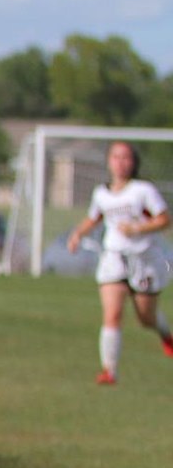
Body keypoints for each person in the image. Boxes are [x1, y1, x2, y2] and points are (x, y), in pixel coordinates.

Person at [64, 140, 172, 385]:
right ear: (108, 161)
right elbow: (94, 217)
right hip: (113, 258)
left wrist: (138, 228)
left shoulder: (143, 190)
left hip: (144, 259)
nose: (120, 162)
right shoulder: (101, 193)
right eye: (116, 157)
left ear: (133, 162)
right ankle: (109, 370)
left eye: (126, 158)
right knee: (112, 313)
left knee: (146, 318)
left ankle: (165, 332)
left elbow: (165, 220)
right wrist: (77, 234)